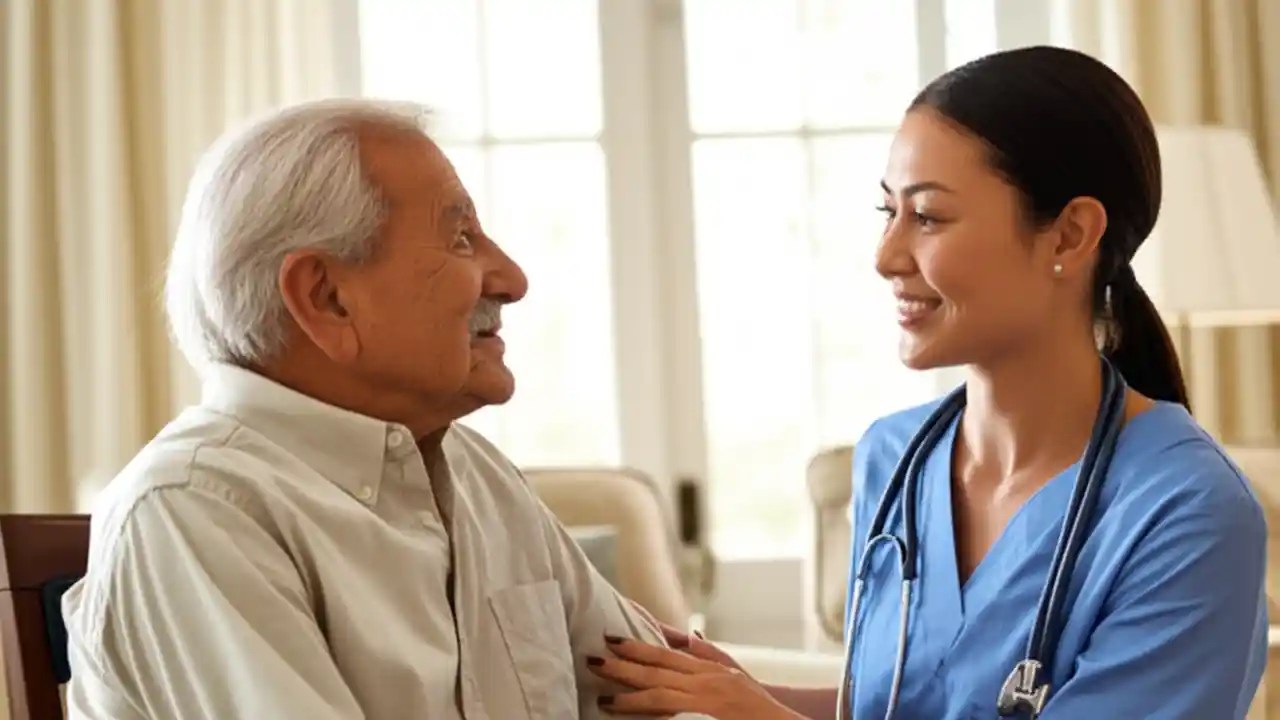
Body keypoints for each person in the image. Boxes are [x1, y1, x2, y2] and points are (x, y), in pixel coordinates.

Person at [585, 45, 1269, 719]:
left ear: (1069, 236)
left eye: (929, 217)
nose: (887, 257)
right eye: (889, 213)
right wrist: (744, 692)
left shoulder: (1188, 512)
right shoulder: (894, 460)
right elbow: (905, 709)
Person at [61, 98, 671, 719]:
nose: (512, 279)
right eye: (461, 239)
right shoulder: (193, 510)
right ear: (326, 298)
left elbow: (676, 697)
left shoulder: (478, 474)